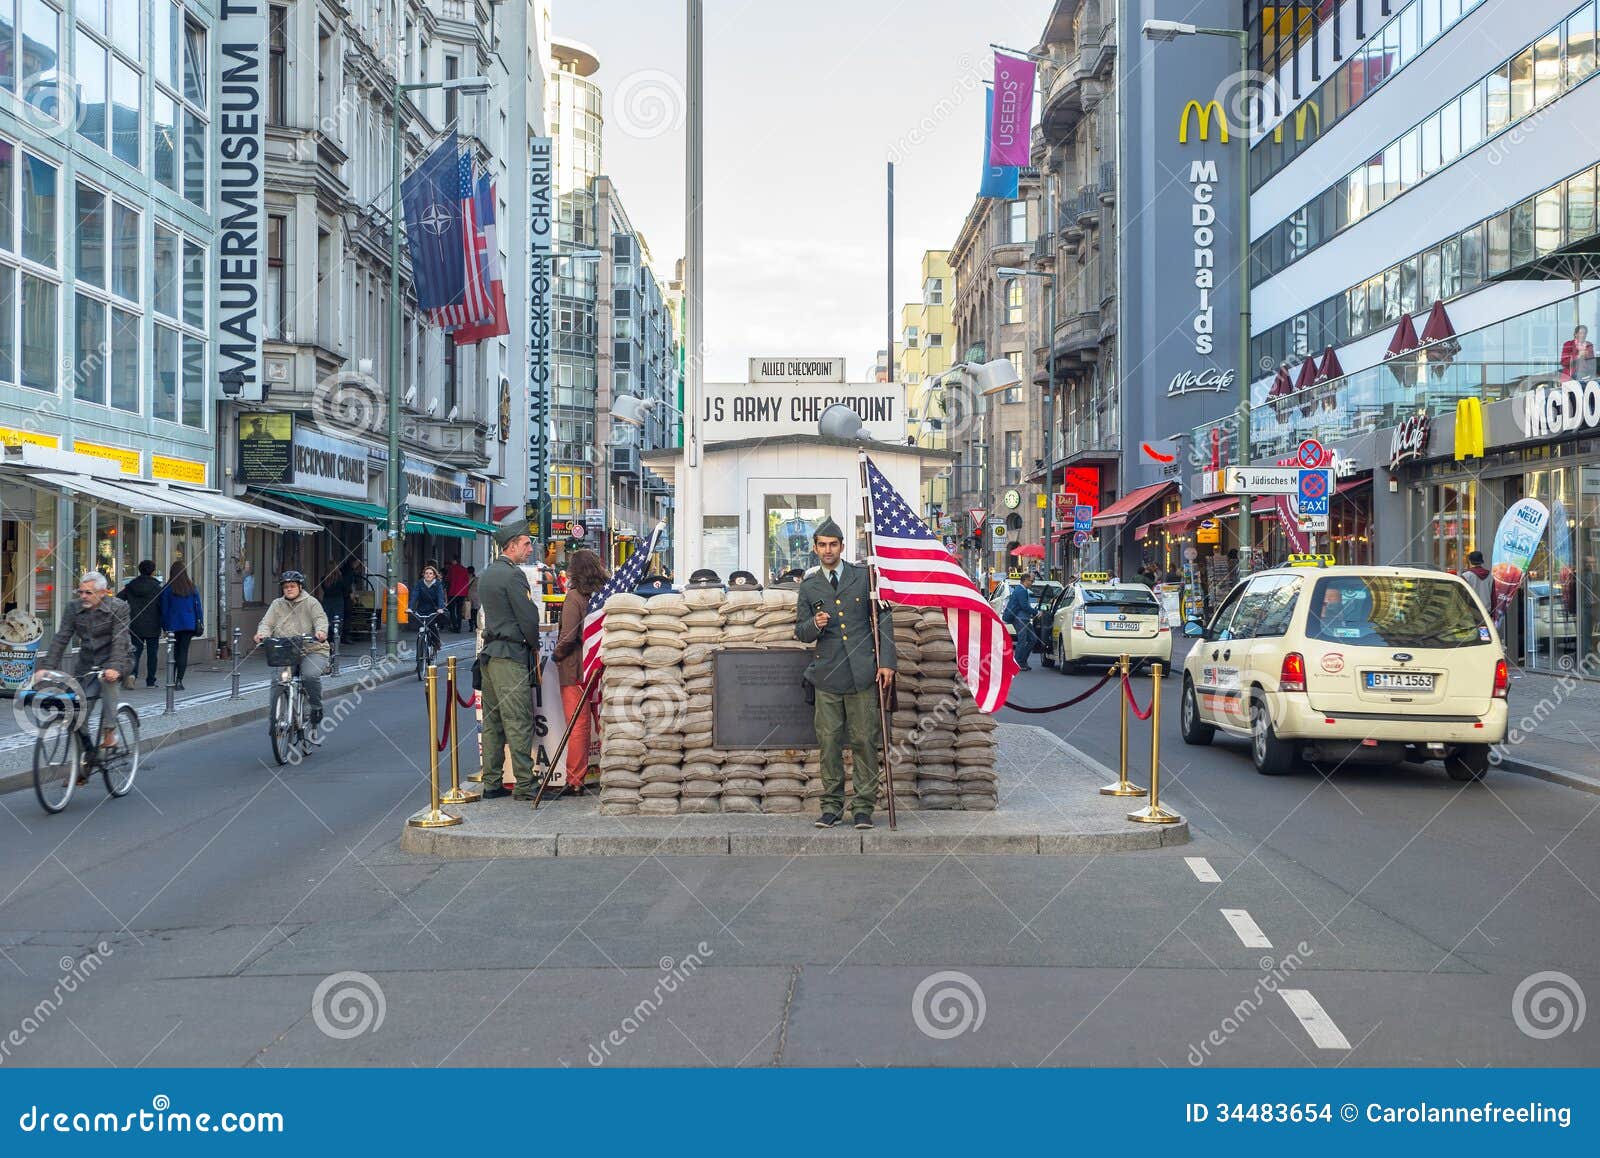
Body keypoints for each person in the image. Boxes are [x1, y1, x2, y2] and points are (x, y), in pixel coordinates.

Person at [794, 517, 896, 831]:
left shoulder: (864, 577)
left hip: (863, 672)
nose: (828, 550)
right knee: (829, 742)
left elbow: (883, 619)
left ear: (841, 547)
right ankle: (832, 807)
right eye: (822, 545)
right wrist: (816, 625)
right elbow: (801, 632)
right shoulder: (810, 585)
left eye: (833, 544)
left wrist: (888, 662)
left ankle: (864, 808)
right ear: (815, 548)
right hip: (827, 675)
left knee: (865, 740)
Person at [477, 519, 545, 799]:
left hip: (490, 655)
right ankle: (526, 785)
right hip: (510, 656)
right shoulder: (513, 575)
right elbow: (528, 617)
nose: (530, 549)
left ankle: (492, 782)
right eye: (526, 544)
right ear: (513, 545)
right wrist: (534, 644)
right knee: (518, 720)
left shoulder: (488, 573)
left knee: (493, 722)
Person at [41, 572, 131, 753]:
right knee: (76, 713)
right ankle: (85, 761)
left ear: (103, 592)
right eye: (80, 592)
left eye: (88, 593)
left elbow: (120, 640)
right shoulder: (73, 607)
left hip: (118, 659)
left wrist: (114, 667)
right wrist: (46, 669)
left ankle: (109, 731)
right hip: (86, 664)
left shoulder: (119, 607)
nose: (83, 596)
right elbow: (61, 638)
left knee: (108, 681)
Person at [552, 549, 608, 795]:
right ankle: (612, 772)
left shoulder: (574, 596)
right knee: (605, 721)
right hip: (601, 665)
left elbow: (568, 636)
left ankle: (575, 779)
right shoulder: (606, 593)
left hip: (576, 668)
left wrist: (556, 655)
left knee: (578, 724)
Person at [253, 570, 330, 728]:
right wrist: (262, 634)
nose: (289, 589)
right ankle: (275, 719)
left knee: (309, 675)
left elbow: (320, 619)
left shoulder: (311, 602)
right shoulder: (277, 604)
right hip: (287, 651)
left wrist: (321, 632)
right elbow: (267, 623)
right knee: (279, 680)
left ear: (300, 587)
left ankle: (316, 707)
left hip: (312, 649)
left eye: (292, 586)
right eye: (286, 586)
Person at [117, 560, 163, 688]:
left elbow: (118, 598)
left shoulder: (131, 586)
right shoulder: (157, 588)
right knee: (152, 654)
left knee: (135, 652)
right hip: (153, 624)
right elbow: (162, 606)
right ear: (153, 572)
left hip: (135, 623)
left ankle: (132, 675)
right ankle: (150, 681)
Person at [158, 561, 203, 690]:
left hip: (173, 624)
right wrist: (200, 621)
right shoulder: (191, 587)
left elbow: (164, 610)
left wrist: (165, 626)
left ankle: (171, 679)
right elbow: (198, 607)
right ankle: (179, 681)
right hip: (189, 624)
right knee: (183, 652)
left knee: (173, 652)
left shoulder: (168, 589)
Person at [1002, 571, 1037, 670]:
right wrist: (1036, 612)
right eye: (1031, 581)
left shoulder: (1022, 589)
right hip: (1020, 619)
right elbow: (1024, 606)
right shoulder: (1021, 591)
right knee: (1022, 640)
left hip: (1023, 619)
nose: (1032, 583)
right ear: (1025, 580)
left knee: (1032, 639)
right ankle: (1017, 663)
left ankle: (1022, 660)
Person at [445, 558, 471, 632]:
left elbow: (448, 579)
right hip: (462, 592)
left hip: (453, 592)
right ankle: (459, 627)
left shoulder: (452, 569)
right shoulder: (464, 569)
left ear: (454, 561)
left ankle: (454, 626)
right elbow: (467, 580)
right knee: (459, 610)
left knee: (452, 610)